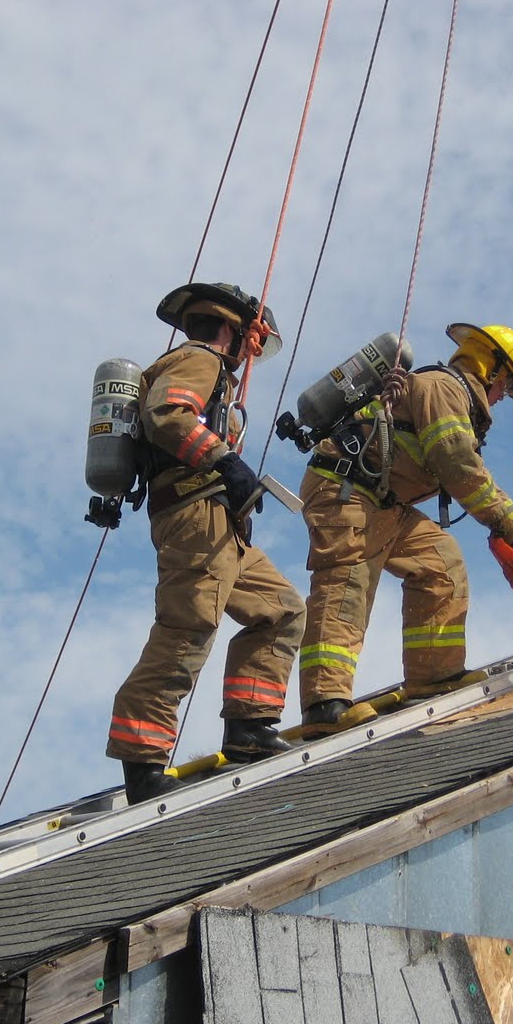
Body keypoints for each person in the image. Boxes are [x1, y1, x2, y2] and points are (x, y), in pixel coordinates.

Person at [106, 282, 307, 804]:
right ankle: (143, 763)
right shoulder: (201, 360)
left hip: (220, 525)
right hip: (195, 518)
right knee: (186, 631)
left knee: (281, 610)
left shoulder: (208, 370)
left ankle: (249, 729)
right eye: (250, 341)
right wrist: (226, 462)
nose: (251, 354)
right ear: (231, 330)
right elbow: (168, 416)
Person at [296, 322, 513, 728]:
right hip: (345, 489)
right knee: (347, 585)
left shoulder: (453, 397)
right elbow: (459, 466)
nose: (502, 397)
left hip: (382, 501)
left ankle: (434, 675)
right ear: (490, 369)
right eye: (506, 386)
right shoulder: (443, 389)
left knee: (441, 561)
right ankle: (325, 702)